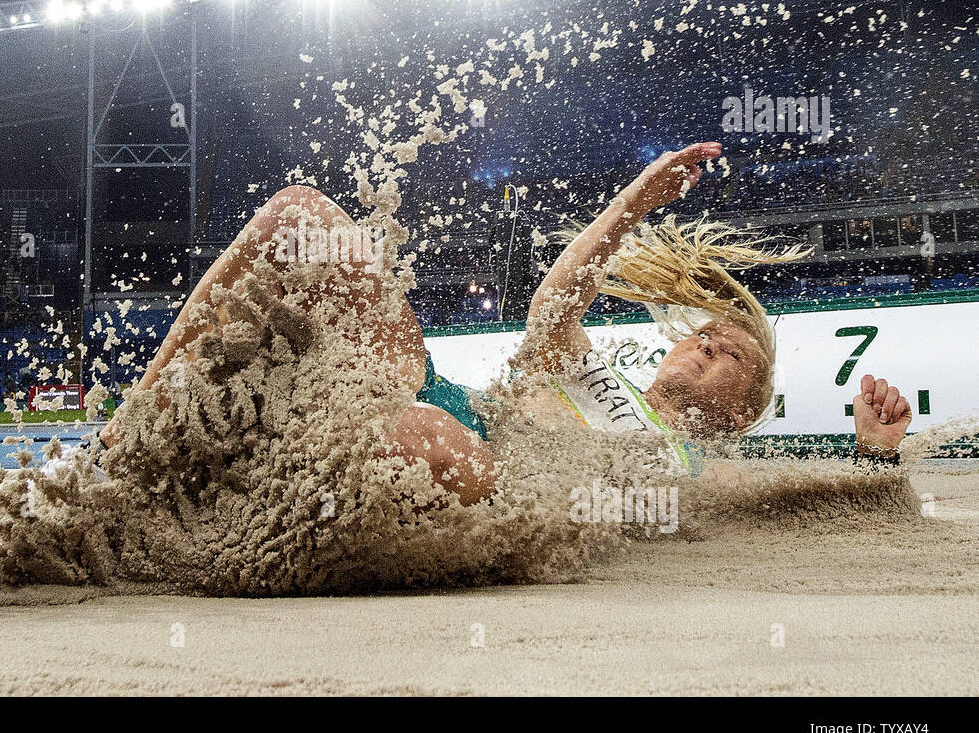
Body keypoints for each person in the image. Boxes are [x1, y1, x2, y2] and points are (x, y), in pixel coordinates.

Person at [101, 142, 914, 503]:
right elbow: (555, 305)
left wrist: (872, 461)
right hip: (443, 401)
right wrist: (631, 205)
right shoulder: (597, 371)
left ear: (739, 412)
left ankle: (237, 484)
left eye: (727, 353)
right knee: (299, 213)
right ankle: (130, 430)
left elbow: (794, 502)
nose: (701, 345)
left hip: (483, 476)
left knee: (424, 443)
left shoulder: (701, 469)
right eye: (703, 334)